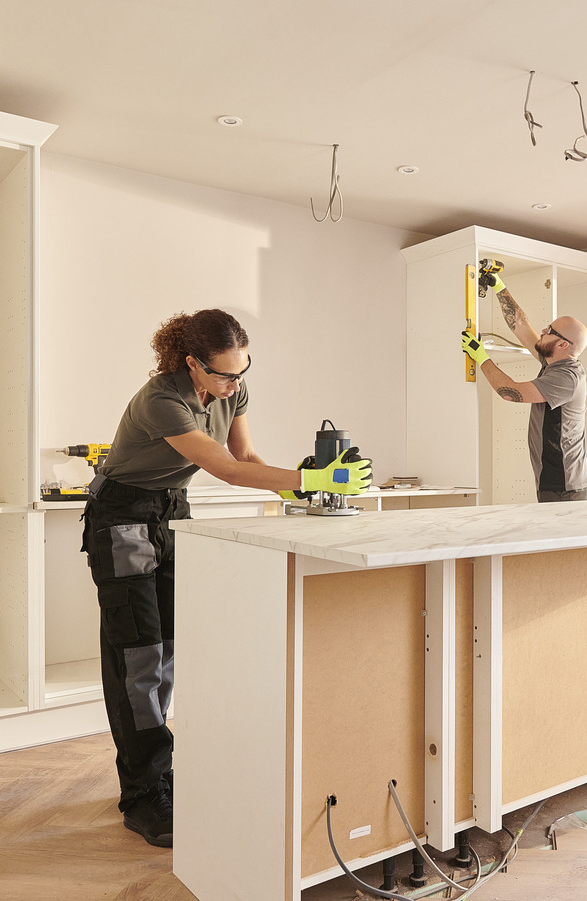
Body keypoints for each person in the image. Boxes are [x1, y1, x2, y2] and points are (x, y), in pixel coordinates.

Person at [82, 308, 372, 848]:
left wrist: (302, 489)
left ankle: (158, 773)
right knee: (135, 655)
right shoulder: (161, 401)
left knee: (167, 648)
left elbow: (248, 455)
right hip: (122, 517)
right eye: (223, 373)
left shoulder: (233, 393)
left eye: (242, 371)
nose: (235, 384)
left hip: (172, 512)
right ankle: (141, 796)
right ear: (192, 363)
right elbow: (227, 470)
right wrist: (311, 477)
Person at [458, 272, 587, 502]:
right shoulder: (553, 360)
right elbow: (521, 324)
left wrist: (481, 356)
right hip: (557, 482)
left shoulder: (566, 377)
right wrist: (499, 286)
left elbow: (510, 392)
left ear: (562, 344)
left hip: (567, 486)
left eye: (549, 331)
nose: (543, 331)